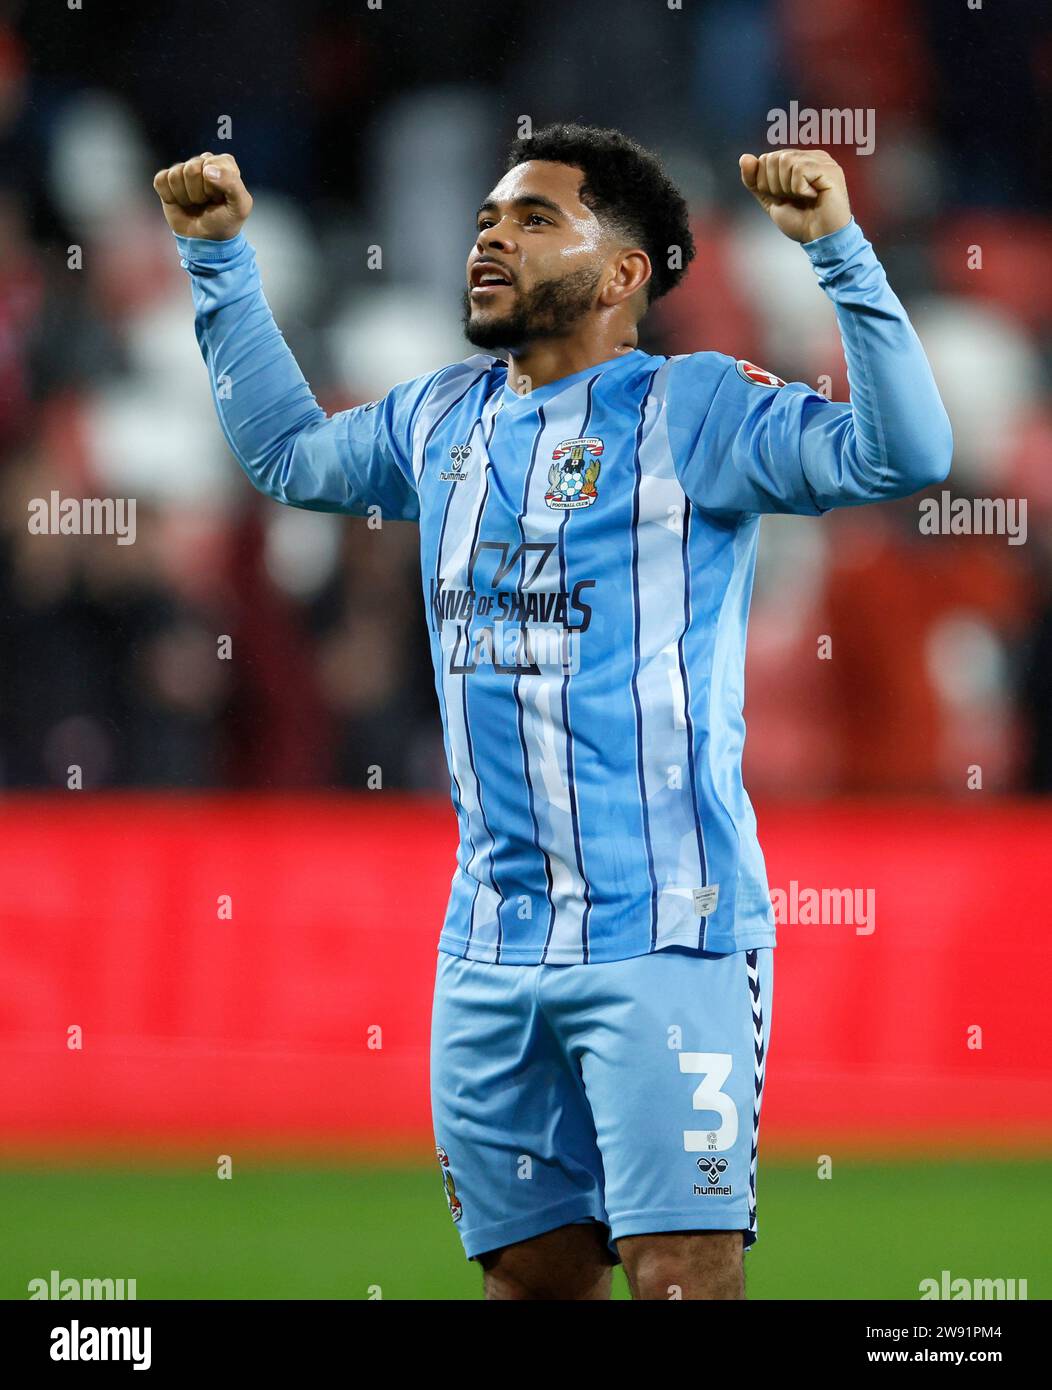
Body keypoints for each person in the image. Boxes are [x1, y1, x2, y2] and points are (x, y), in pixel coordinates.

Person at [153, 123, 952, 1300]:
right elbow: (285, 456)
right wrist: (217, 261)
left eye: (533, 220)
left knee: (682, 1273)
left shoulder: (696, 409)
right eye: (486, 218)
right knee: (531, 1282)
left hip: (667, 934)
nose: (491, 237)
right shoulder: (438, 418)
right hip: (487, 945)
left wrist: (834, 248)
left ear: (625, 273)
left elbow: (907, 453)